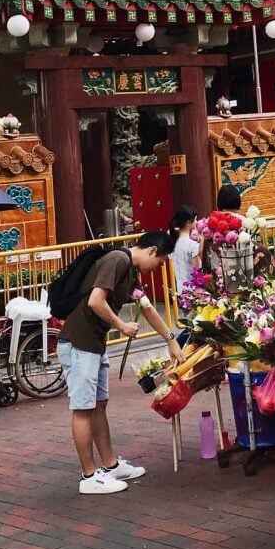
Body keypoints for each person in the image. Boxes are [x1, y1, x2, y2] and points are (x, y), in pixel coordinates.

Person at [56, 231, 184, 494]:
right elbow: (95, 301)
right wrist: (121, 324)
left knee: (98, 405)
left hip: (93, 343)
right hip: (79, 343)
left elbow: (147, 307)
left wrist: (170, 339)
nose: (156, 268)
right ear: (150, 251)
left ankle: (110, 465)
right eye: (159, 262)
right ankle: (88, 476)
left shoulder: (131, 271)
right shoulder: (118, 260)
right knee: (83, 408)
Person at [168, 205, 199, 294]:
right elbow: (197, 270)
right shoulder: (192, 245)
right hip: (193, 289)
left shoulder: (173, 244)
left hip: (180, 288)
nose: (197, 222)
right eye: (195, 219)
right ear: (188, 223)